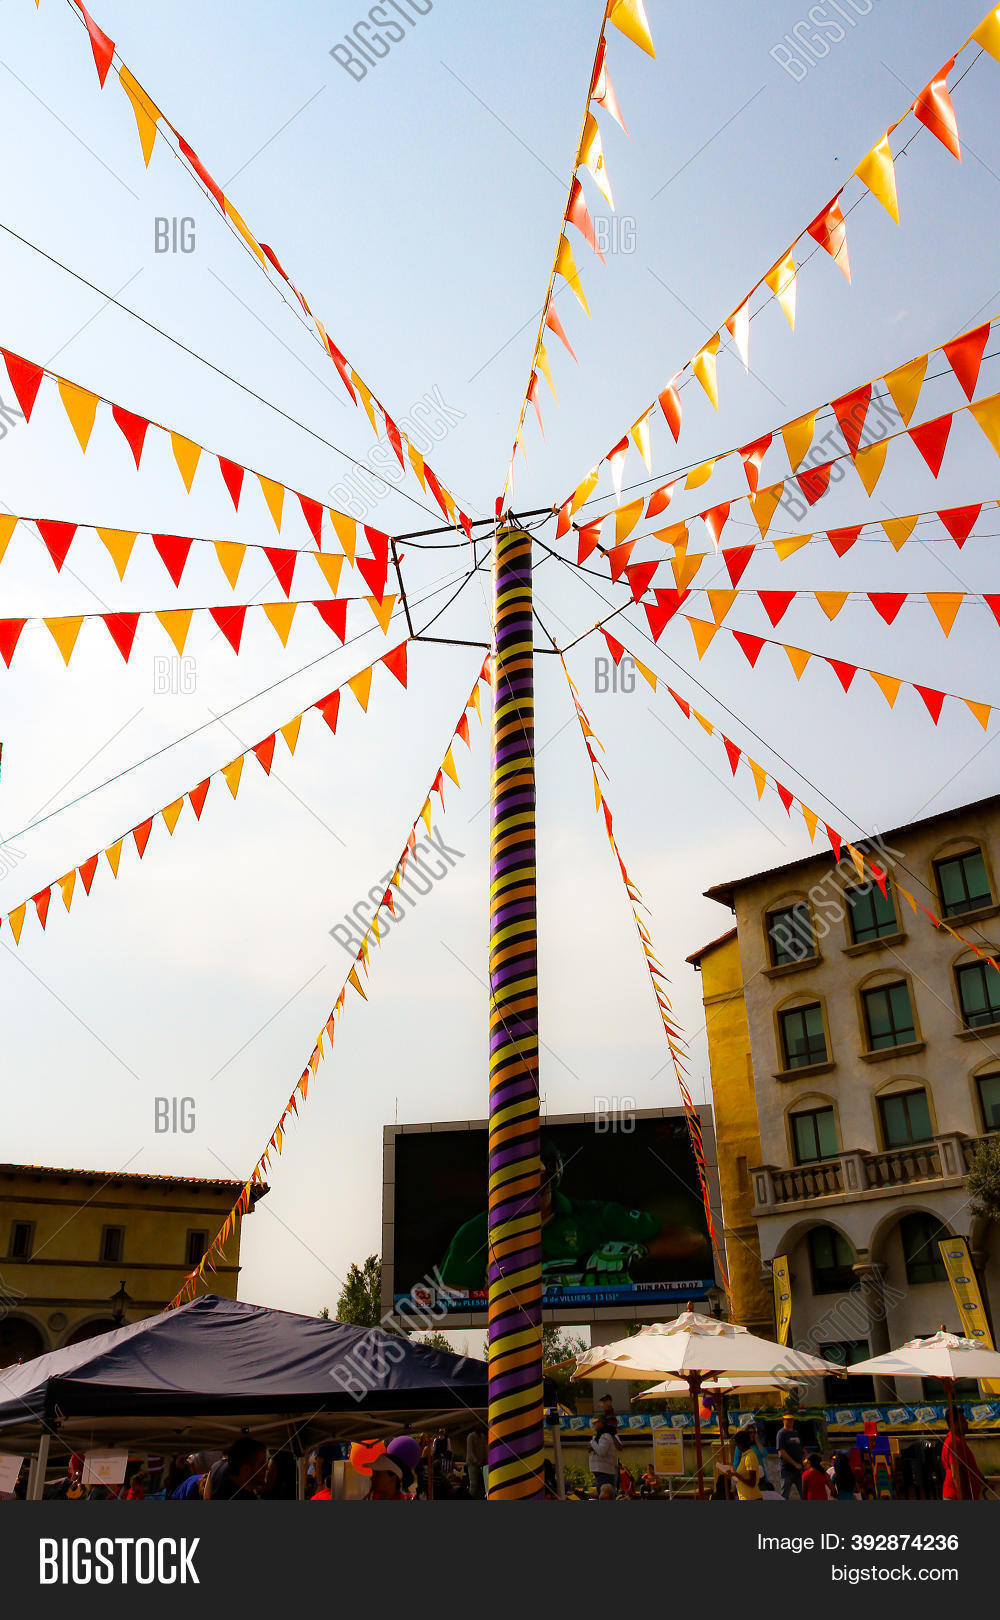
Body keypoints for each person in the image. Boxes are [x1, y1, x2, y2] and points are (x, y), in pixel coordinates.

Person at [437, 1141, 710, 1291]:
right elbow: (450, 1294)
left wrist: (639, 1250)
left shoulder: (598, 1216)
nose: (528, 1186)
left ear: (553, 1175)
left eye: (539, 1173)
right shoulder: (475, 1232)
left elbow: (693, 1238)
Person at [942, 1412, 984, 1501]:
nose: (966, 1423)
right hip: (956, 1495)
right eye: (963, 1420)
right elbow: (955, 1474)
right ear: (954, 1423)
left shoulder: (958, 1440)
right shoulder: (954, 1442)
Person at [776, 1414, 806, 1499]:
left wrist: (809, 1459)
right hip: (786, 1470)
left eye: (791, 1419)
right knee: (784, 1495)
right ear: (783, 1420)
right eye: (787, 1419)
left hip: (799, 1470)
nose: (790, 1421)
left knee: (804, 1494)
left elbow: (802, 1448)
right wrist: (795, 1464)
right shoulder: (781, 1433)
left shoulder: (796, 1433)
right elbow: (781, 1452)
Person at [732, 1425, 763, 1501]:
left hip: (752, 1497)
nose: (737, 1447)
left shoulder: (749, 1457)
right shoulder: (744, 1456)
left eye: (737, 1444)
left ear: (740, 1444)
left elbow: (752, 1483)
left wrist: (736, 1475)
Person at [589, 1418, 618, 1498]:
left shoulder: (605, 1436)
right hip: (601, 1473)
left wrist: (592, 1442)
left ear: (602, 1423)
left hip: (604, 1473)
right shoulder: (600, 1436)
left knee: (605, 1497)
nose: (594, 1424)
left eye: (596, 1422)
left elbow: (601, 1452)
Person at [465, 1423, 487, 1500]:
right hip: (472, 1464)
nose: (480, 1428)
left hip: (482, 1464)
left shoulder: (483, 1437)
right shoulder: (470, 1437)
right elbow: (470, 1451)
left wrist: (487, 1461)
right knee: (474, 1485)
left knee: (483, 1485)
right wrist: (477, 1462)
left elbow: (486, 1449)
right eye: (478, 1426)